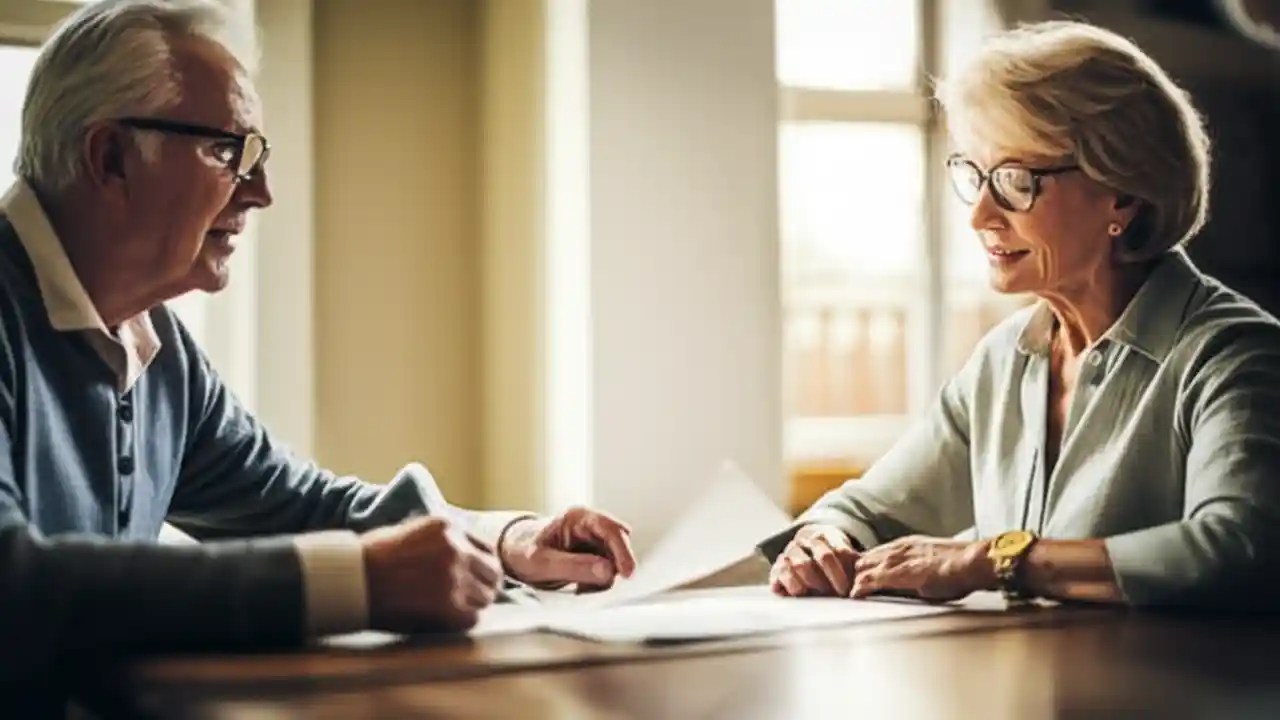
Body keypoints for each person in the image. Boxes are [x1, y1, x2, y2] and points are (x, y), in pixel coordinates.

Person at [0, 0, 636, 680]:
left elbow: (304, 507)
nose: (261, 192)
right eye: (228, 150)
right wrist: (354, 584)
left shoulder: (158, 351)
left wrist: (507, 541)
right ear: (112, 157)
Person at [763, 20, 1280, 609]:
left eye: (1014, 181)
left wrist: (992, 559)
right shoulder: (1003, 359)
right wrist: (823, 539)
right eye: (976, 176)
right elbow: (864, 509)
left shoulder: (1235, 355)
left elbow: (1243, 548)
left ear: (1123, 194)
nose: (981, 214)